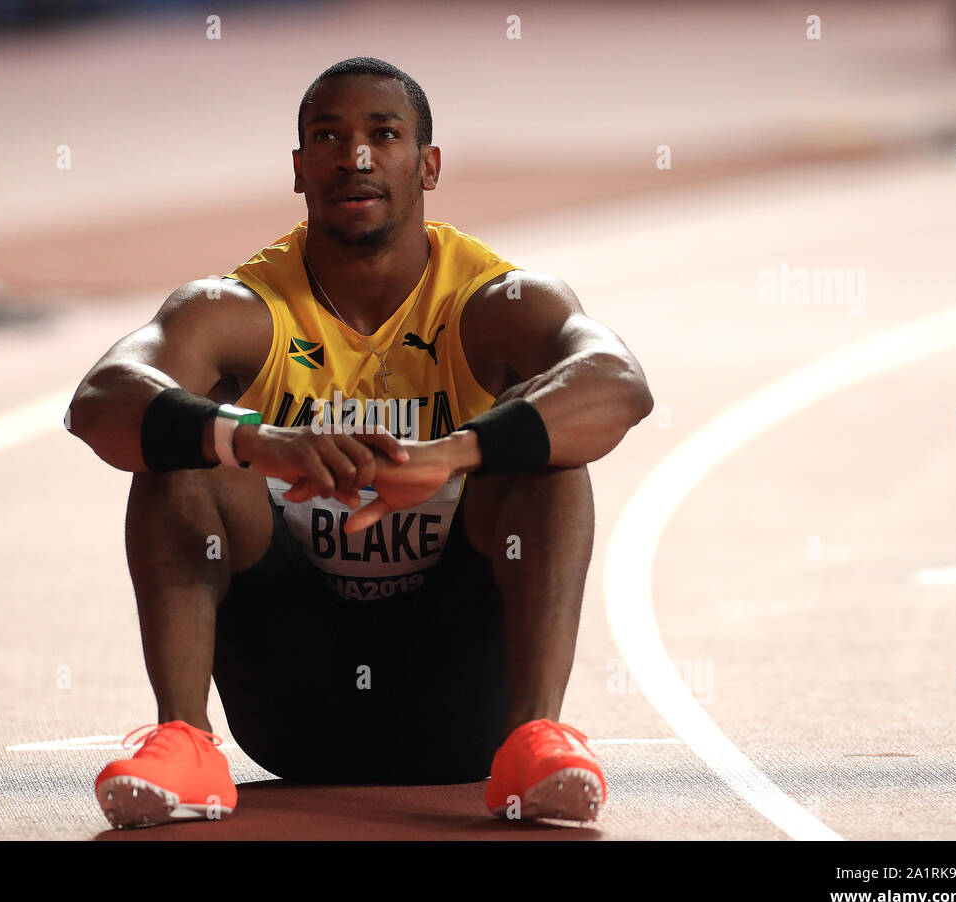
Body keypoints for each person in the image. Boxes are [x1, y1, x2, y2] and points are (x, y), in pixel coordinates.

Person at [66, 57, 654, 830]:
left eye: (384, 134)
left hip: (460, 700)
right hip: (292, 697)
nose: (357, 156)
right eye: (329, 137)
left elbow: (618, 383)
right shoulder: (241, 307)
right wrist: (258, 440)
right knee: (180, 451)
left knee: (548, 457)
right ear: (301, 168)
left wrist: (453, 453)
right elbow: (99, 399)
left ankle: (536, 737)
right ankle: (185, 741)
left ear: (428, 164)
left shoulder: (492, 301)